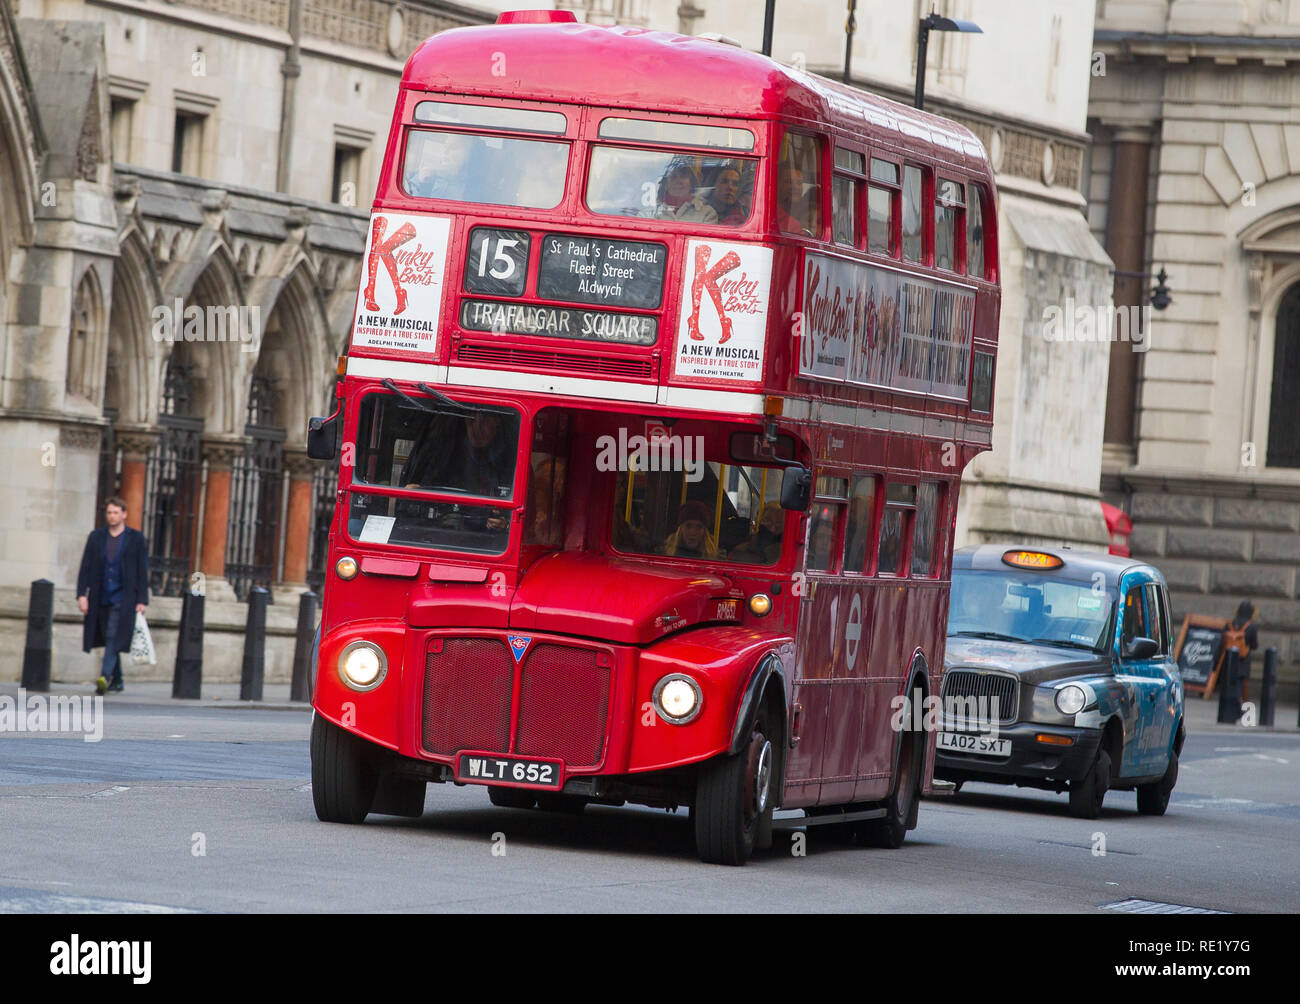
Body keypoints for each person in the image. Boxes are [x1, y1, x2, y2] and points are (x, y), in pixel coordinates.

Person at [76, 497, 149, 695]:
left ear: (124, 514)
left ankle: (104, 676)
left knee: (112, 635)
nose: (112, 516)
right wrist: (81, 594)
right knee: (107, 636)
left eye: (116, 512)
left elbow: (142, 571)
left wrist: (142, 600)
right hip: (100, 595)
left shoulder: (136, 538)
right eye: (109, 513)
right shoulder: (96, 537)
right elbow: (85, 567)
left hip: (124, 597)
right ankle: (118, 680)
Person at [401, 410, 517, 531]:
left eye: (485, 419)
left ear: (497, 421)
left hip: (487, 539)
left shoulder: (513, 459)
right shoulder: (442, 454)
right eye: (470, 417)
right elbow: (421, 491)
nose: (477, 427)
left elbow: (521, 519)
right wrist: (414, 491)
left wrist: (506, 524)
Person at [1223, 600, 1259, 702]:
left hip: (1229, 658)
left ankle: (1227, 702)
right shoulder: (1251, 626)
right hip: (1243, 659)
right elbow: (1254, 645)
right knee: (1239, 683)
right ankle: (1237, 704)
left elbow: (1223, 641)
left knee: (1228, 682)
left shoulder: (1230, 624)